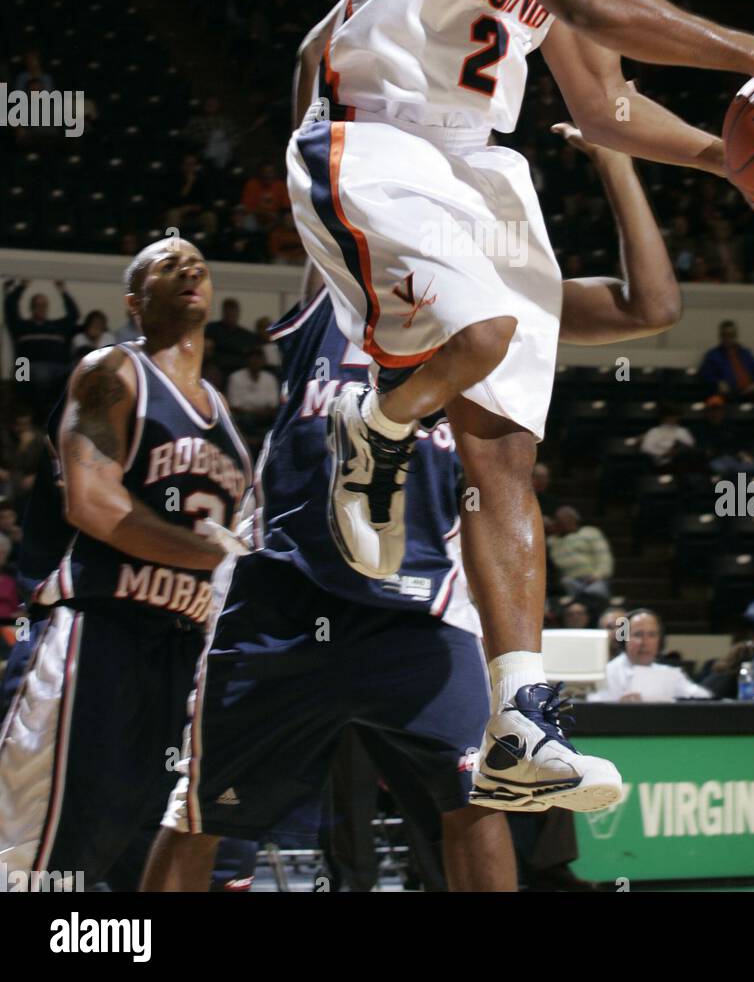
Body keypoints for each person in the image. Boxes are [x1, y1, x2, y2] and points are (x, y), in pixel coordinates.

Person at [285, 0, 754, 811]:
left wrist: (730, 165)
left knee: (505, 460)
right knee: (485, 332)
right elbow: (594, 7)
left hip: (478, 164)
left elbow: (600, 101)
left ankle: (517, 726)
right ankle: (380, 426)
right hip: (377, 132)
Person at [143, 108, 691, 887]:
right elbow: (323, 113)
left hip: (418, 611)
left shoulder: (497, 306)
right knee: (197, 813)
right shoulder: (338, 276)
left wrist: (616, 163)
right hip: (285, 599)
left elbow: (651, 308)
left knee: (474, 805)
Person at [0, 239, 252, 888]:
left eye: (198, 259)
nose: (189, 267)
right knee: (44, 863)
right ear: (135, 303)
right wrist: (216, 553)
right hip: (96, 633)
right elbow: (93, 504)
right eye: (167, 264)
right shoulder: (111, 371)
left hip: (183, 658)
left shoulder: (226, 422)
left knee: (159, 865)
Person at [588, 608, 711, 703]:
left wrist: (673, 702)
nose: (645, 642)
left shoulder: (668, 674)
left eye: (652, 635)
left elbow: (705, 698)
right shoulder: (606, 673)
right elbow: (591, 705)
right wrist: (618, 706)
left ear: (660, 640)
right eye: (638, 635)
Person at [3, 277, 79, 413]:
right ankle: (39, 414)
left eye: (43, 305)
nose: (40, 308)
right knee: (35, 374)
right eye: (37, 304)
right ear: (31, 307)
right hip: (27, 365)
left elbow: (74, 315)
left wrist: (63, 291)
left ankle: (60, 416)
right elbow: (10, 309)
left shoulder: (57, 326)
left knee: (75, 371)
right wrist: (21, 287)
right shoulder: (21, 326)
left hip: (57, 367)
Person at [546, 505, 613, 602]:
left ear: (573, 520)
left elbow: (604, 558)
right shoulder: (552, 541)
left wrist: (597, 575)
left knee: (596, 594)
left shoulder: (590, 532)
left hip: (593, 579)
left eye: (563, 520)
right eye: (557, 520)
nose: (559, 523)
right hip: (569, 581)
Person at [226, 347, 280, 448]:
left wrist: (263, 414)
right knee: (240, 420)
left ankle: (263, 442)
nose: (255, 361)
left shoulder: (270, 378)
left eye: (258, 358)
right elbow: (233, 405)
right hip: (243, 418)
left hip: (265, 418)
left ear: (263, 361)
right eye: (252, 358)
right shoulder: (235, 377)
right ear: (247, 360)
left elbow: (274, 405)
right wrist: (254, 413)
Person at [698, 320, 754, 396]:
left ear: (735, 335)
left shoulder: (746, 353)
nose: (728, 338)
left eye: (731, 335)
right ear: (720, 336)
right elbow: (704, 375)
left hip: (751, 393)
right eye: (725, 335)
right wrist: (718, 382)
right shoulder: (713, 355)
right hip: (729, 396)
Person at [204, 297, 258, 378]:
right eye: (229, 313)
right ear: (224, 313)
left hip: (241, 371)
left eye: (234, 313)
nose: (231, 316)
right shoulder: (212, 329)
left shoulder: (247, 335)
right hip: (218, 369)